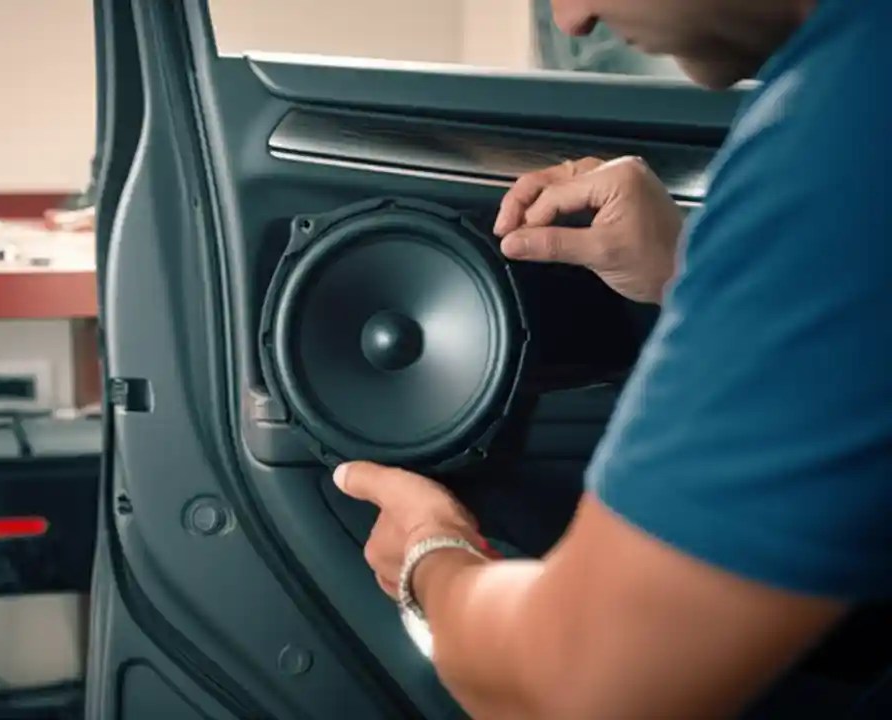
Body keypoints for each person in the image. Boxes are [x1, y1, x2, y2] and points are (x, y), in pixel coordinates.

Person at [334, 1, 892, 718]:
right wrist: (687, 268)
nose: (572, 20)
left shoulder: (846, 125)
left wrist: (429, 557)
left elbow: (567, 691)